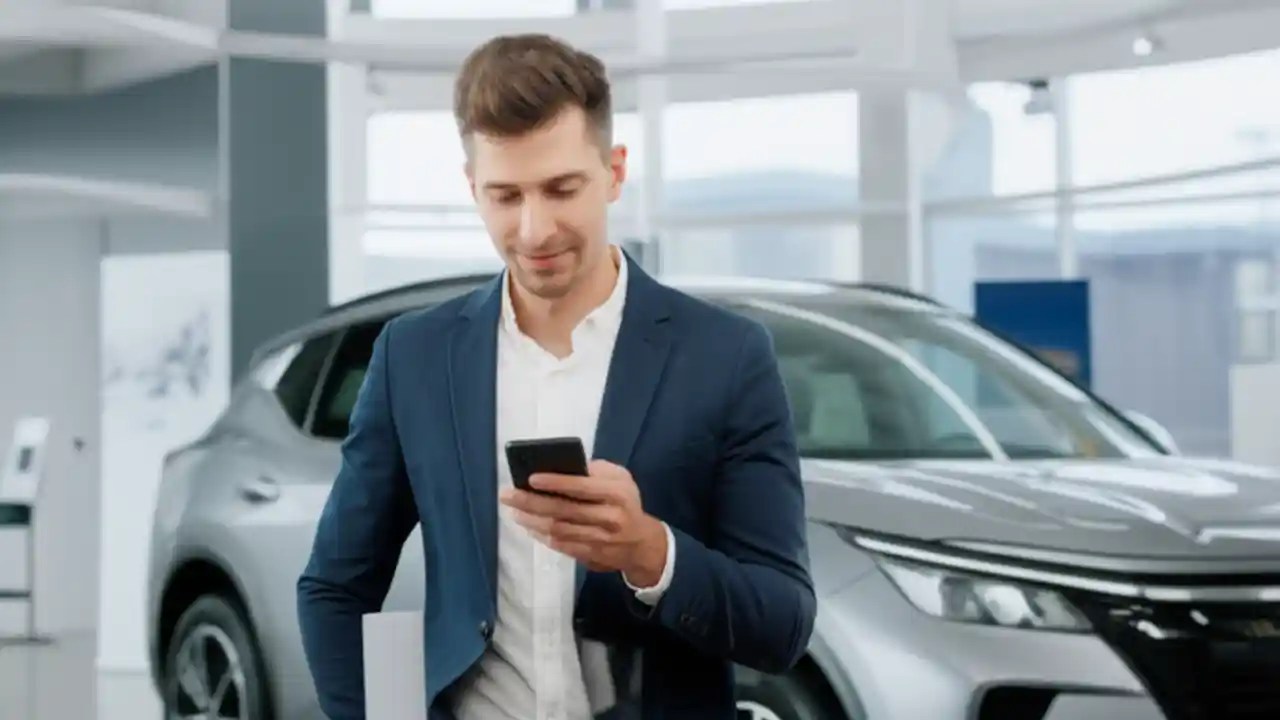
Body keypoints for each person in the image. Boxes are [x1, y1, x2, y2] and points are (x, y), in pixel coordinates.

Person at [297, 32, 816, 720]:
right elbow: (335, 586)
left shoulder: (725, 357)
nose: (534, 229)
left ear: (614, 171)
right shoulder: (414, 358)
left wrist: (648, 552)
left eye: (561, 189)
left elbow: (782, 623)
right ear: (471, 189)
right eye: (505, 195)